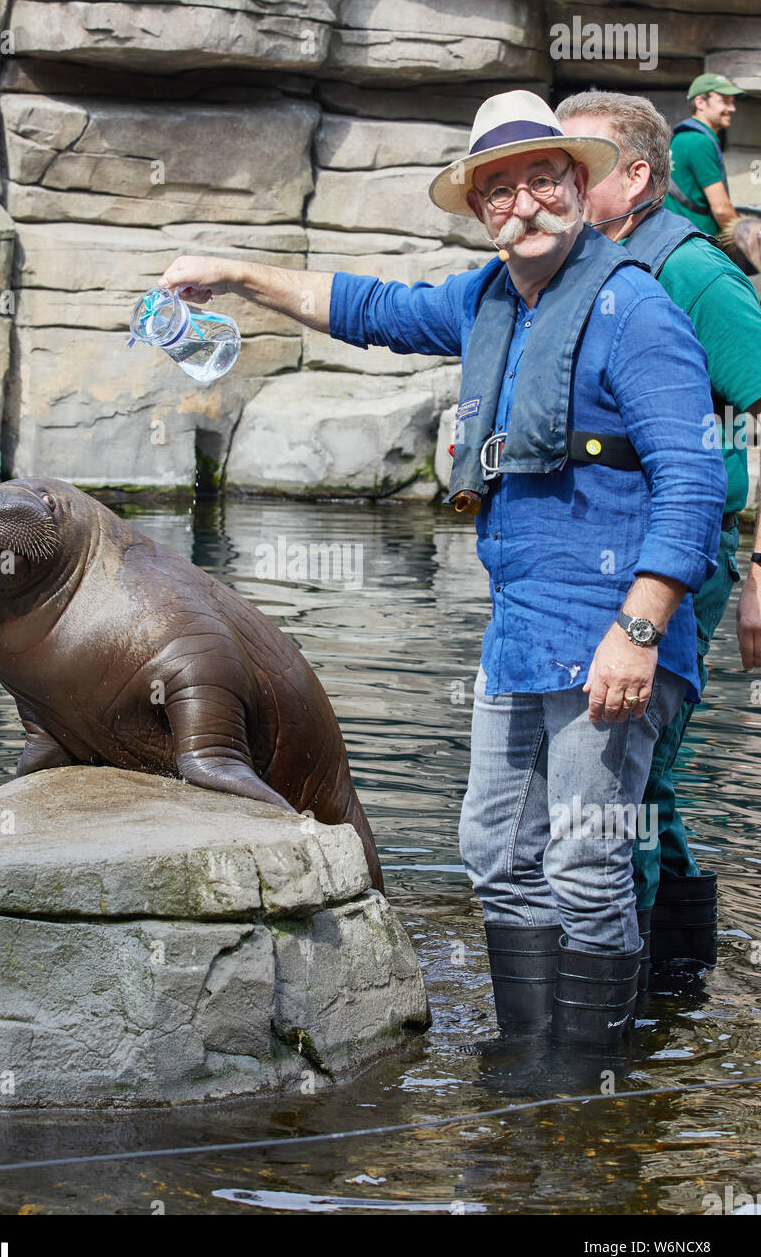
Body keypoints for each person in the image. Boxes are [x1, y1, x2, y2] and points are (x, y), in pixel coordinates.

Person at [156, 89, 726, 1050]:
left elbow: (694, 475)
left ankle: (581, 1095)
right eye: (497, 190)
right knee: (497, 855)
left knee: (589, 863)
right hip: (519, 639)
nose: (523, 204)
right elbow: (367, 307)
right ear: (478, 212)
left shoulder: (637, 308)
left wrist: (640, 627)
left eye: (543, 179)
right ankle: (523, 1061)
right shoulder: (489, 302)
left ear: (578, 187)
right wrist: (233, 274)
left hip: (610, 640)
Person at [557, 91, 761, 977]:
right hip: (596, 553)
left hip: (682, 561)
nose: (555, 180)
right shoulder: (572, 264)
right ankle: (677, 979)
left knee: (622, 775)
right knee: (639, 771)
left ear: (637, 176)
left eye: (579, 163)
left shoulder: (693, 274)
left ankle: (618, 1005)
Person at [663, 73, 744, 234]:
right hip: (700, 238)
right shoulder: (700, 142)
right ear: (700, 102)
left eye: (732, 102)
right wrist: (742, 240)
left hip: (676, 236)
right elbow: (721, 209)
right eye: (724, 101)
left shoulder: (680, 137)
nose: (732, 108)